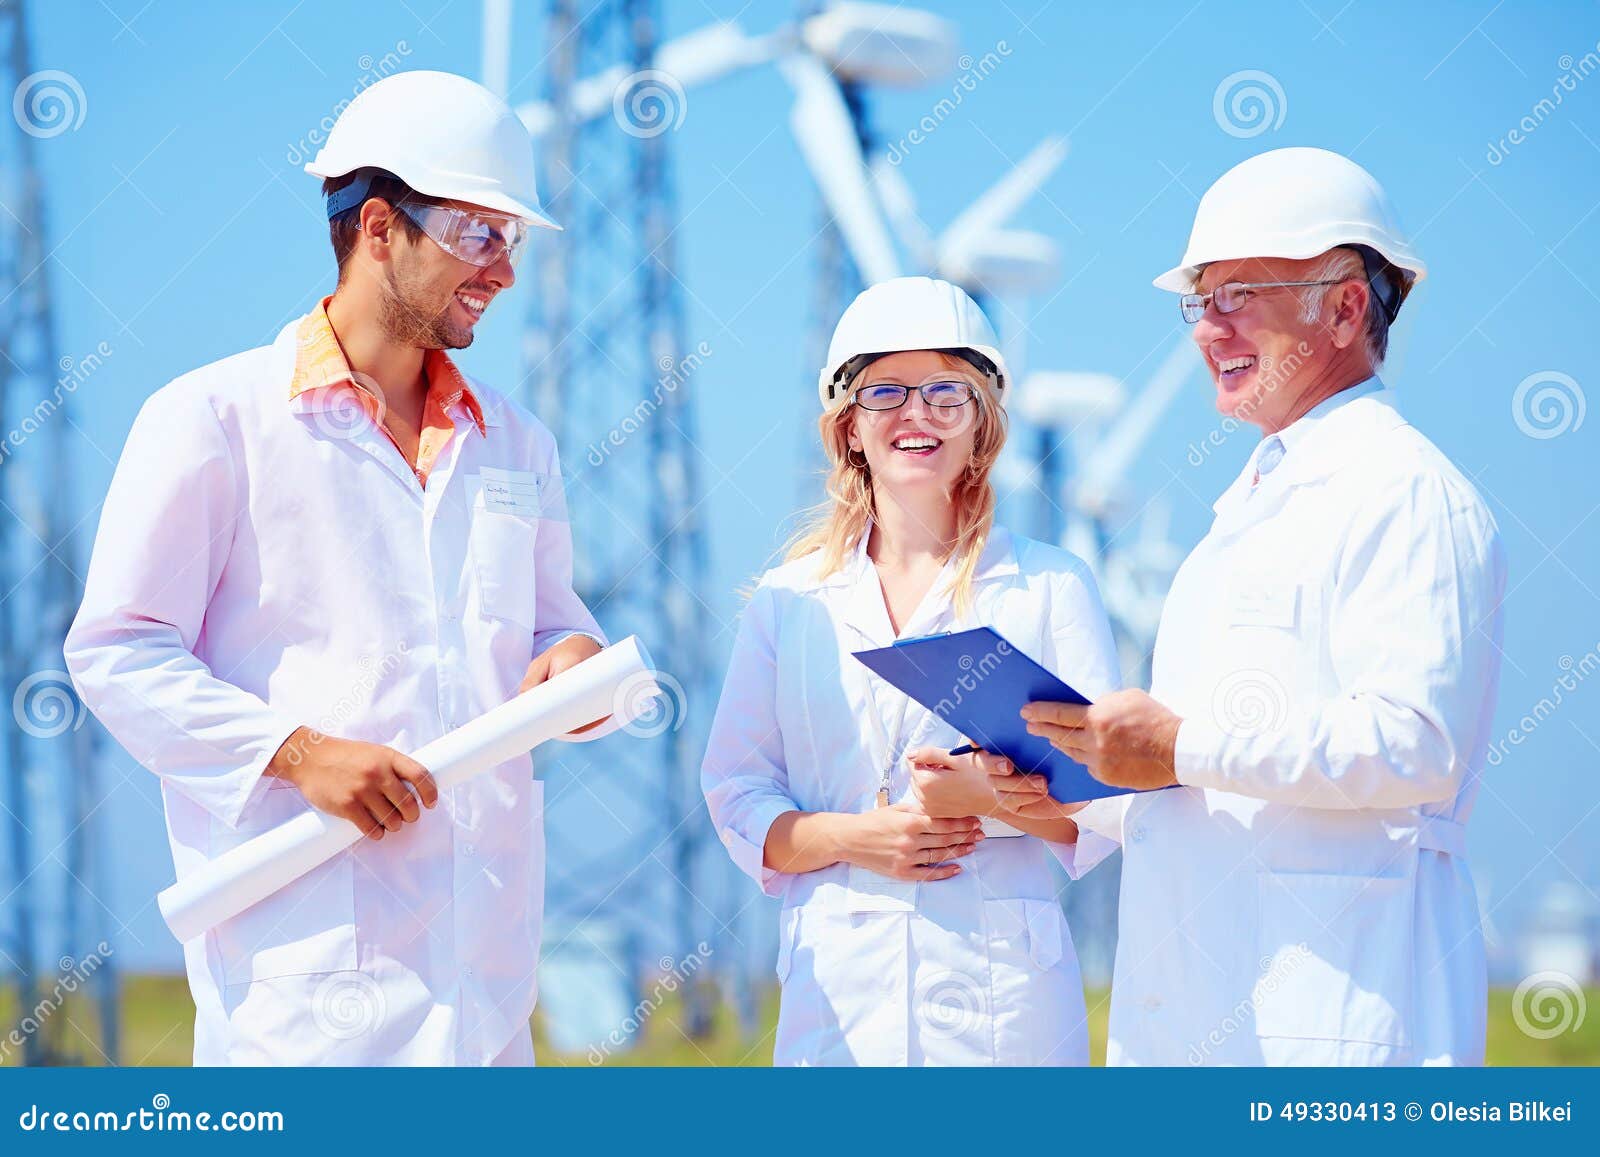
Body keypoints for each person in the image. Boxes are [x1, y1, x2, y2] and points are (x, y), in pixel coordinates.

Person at [64, 71, 615, 1065]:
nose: (504, 271)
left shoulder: (515, 443)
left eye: (512, 239)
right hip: (301, 991)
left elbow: (547, 624)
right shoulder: (214, 421)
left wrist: (571, 655)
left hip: (484, 986)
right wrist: (297, 750)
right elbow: (119, 650)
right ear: (377, 226)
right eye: (477, 235)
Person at [1005, 148, 1506, 1065]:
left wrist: (1174, 746)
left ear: (1347, 305)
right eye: (1201, 301)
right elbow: (1206, 790)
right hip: (1201, 1028)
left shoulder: (1404, 493)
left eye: (1240, 295)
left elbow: (1414, 742)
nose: (1208, 330)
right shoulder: (1241, 517)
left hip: (1338, 1035)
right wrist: (1061, 788)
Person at [701, 276, 1121, 1066]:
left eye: (945, 393)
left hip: (1003, 1010)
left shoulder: (1053, 585)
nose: (915, 414)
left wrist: (990, 798)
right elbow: (737, 794)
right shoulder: (789, 601)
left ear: (982, 426)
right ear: (849, 427)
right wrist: (855, 837)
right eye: (885, 391)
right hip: (839, 1009)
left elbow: (1106, 813)